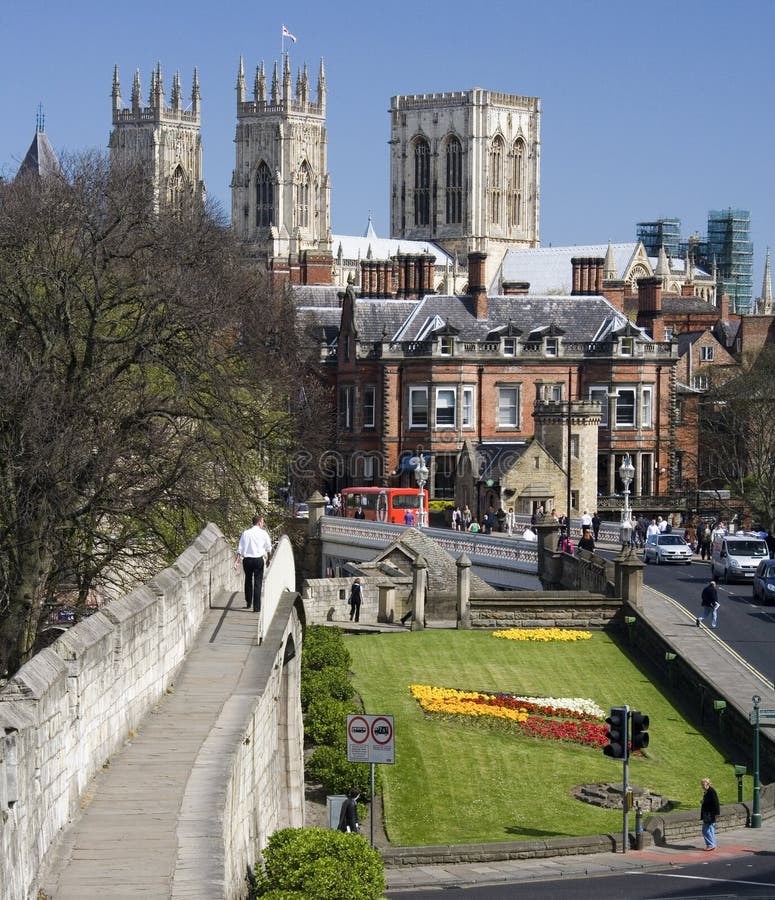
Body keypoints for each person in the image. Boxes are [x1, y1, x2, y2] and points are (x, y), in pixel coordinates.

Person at [235, 515, 272, 612]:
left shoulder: (246, 533)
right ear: (259, 522)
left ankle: (248, 602)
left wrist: (236, 562)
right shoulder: (263, 533)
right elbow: (269, 548)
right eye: (262, 522)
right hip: (258, 560)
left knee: (248, 580)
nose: (263, 524)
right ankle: (256, 607)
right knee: (257, 583)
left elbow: (240, 549)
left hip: (247, 560)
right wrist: (269, 559)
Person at [700, 777, 720, 850]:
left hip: (709, 814)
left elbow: (716, 803)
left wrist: (716, 813)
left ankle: (710, 845)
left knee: (705, 830)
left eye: (704, 784)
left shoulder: (711, 791)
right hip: (709, 813)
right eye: (702, 784)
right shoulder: (708, 791)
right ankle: (713, 845)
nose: (702, 786)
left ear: (708, 784)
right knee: (711, 830)